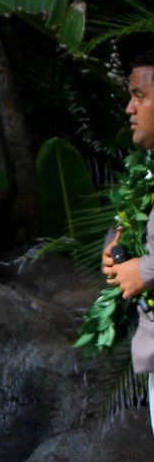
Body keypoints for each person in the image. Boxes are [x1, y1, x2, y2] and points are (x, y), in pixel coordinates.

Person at [99, 49, 154, 419]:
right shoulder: (146, 171)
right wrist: (115, 248)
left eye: (140, 96)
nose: (128, 108)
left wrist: (146, 271)